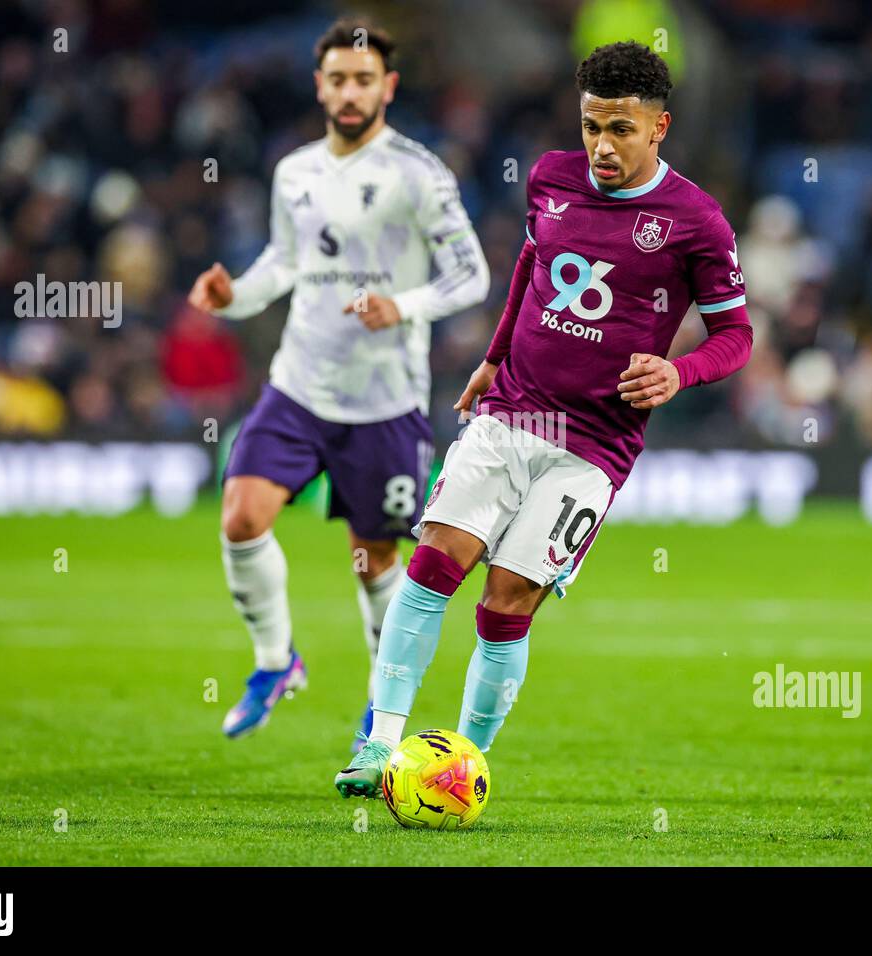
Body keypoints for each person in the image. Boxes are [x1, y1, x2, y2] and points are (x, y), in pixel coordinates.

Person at [335, 40, 752, 796]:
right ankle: (377, 744)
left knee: (504, 603)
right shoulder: (550, 178)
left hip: (593, 445)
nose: (601, 145)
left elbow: (737, 335)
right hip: (509, 411)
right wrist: (494, 359)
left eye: (621, 129)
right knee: (433, 565)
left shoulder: (697, 221)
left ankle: (461, 762)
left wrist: (679, 370)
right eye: (592, 125)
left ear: (660, 127)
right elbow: (531, 268)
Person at [188, 18, 490, 746]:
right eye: (336, 78)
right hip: (297, 387)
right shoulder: (294, 171)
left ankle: (377, 710)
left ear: (387, 86)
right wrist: (239, 295)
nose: (349, 91)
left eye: (364, 79)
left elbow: (471, 274)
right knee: (240, 517)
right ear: (319, 85)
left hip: (384, 403)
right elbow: (284, 264)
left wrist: (403, 306)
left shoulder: (420, 173)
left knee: (376, 558)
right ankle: (274, 661)